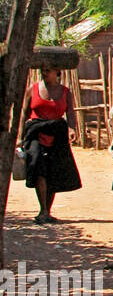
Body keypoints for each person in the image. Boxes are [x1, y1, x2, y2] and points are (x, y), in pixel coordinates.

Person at [19, 64, 83, 225]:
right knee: (38, 167)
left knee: (53, 171)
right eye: (43, 70)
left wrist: (72, 129)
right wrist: (20, 136)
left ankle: (47, 209)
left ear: (57, 72)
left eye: (48, 70)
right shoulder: (32, 89)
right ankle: (43, 210)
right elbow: (23, 113)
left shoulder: (65, 92)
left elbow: (70, 113)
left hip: (57, 133)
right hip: (35, 132)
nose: (44, 73)